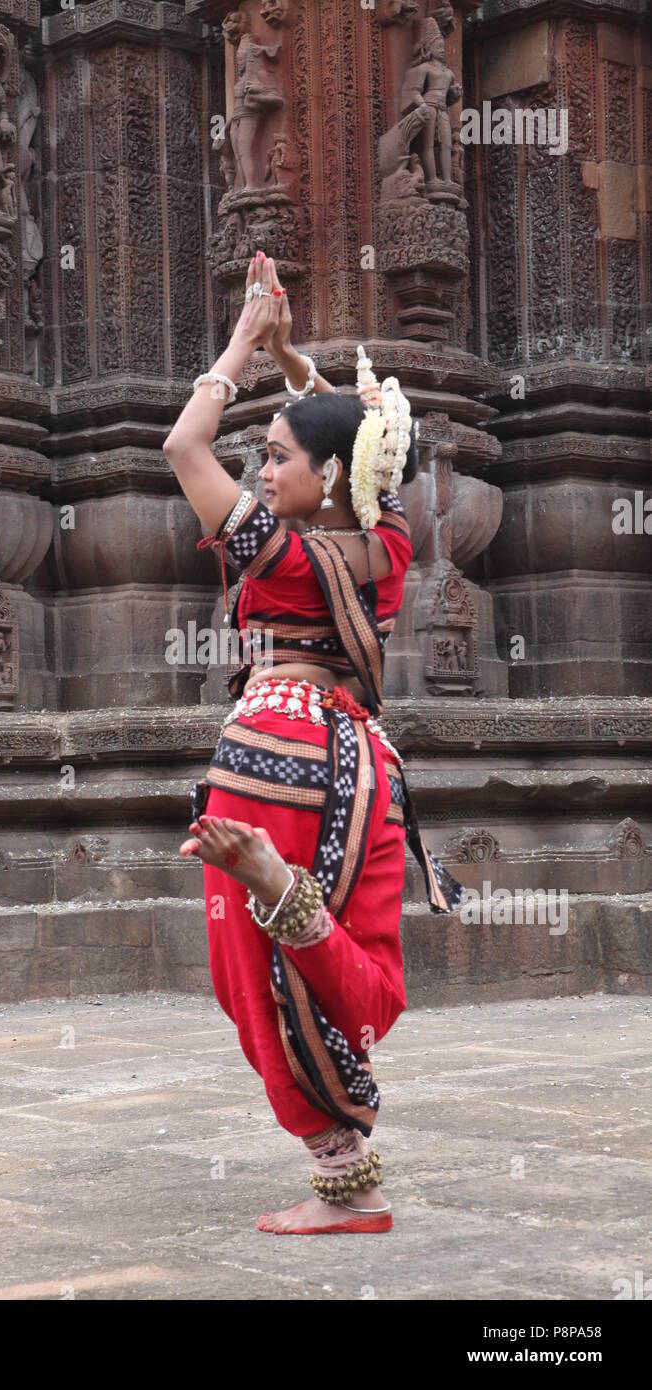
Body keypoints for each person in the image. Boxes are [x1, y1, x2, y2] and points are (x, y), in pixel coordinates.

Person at [163, 252, 463, 1235]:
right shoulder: (388, 543)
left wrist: (244, 344)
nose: (262, 470)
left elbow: (182, 445)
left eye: (276, 457)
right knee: (329, 964)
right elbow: (367, 440)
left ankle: (346, 1177)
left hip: (271, 762)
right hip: (359, 765)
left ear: (324, 476)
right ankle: (347, 1169)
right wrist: (295, 363)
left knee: (250, 975)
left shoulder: (279, 554)